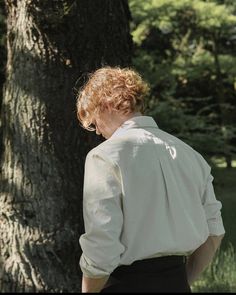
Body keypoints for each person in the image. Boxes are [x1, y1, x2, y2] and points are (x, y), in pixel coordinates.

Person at [76, 66, 225, 293]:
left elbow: (102, 244)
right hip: (178, 284)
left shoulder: (105, 156)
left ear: (105, 104)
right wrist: (184, 280)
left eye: (94, 123)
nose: (97, 132)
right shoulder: (190, 155)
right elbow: (214, 232)